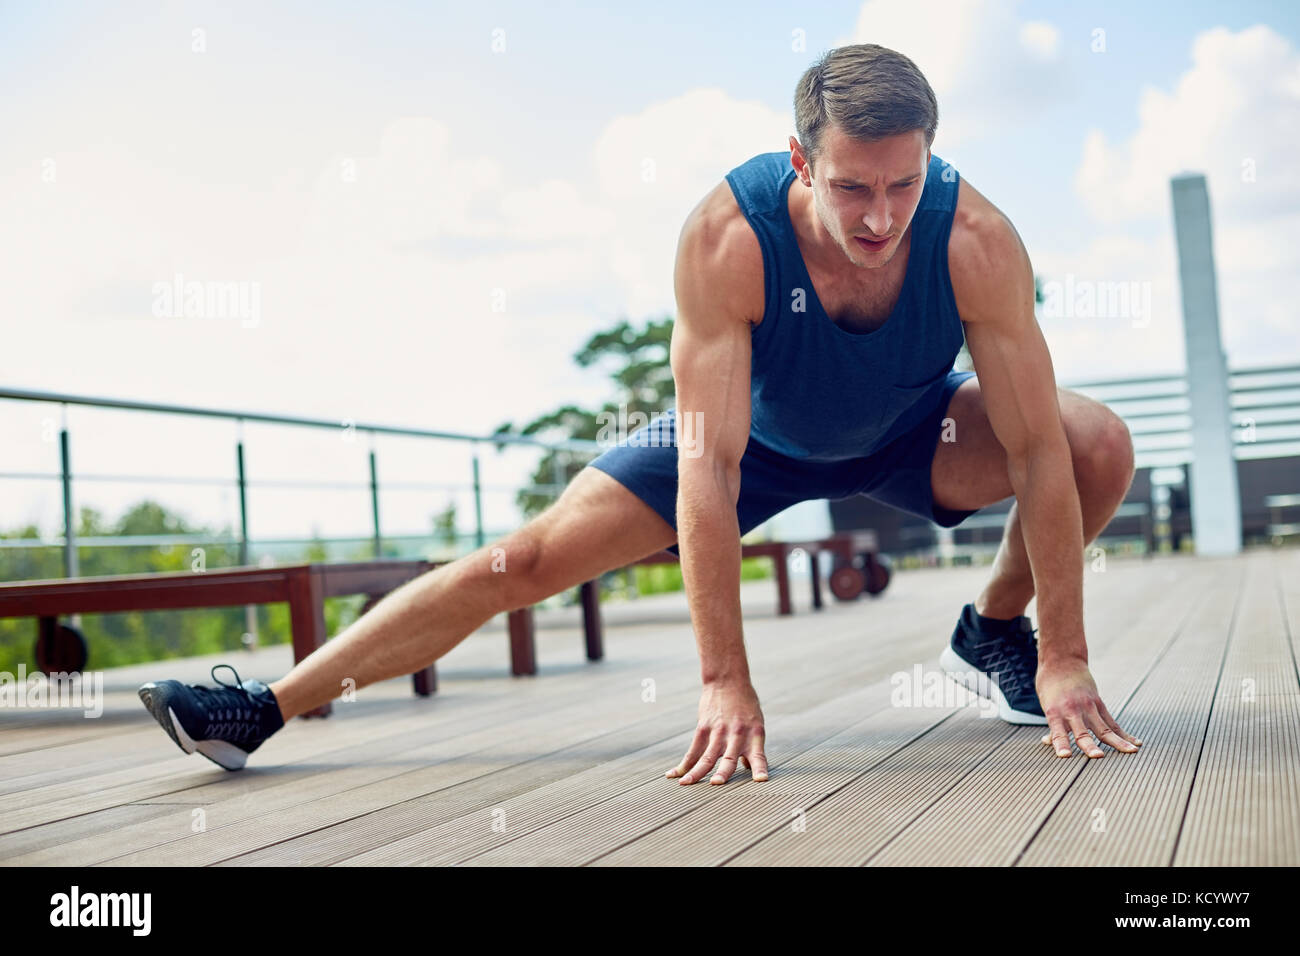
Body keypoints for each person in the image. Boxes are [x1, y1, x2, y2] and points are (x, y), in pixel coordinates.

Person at [138, 42, 1143, 780]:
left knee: (1091, 440)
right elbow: (708, 468)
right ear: (800, 162)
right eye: (851, 187)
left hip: (912, 433)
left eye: (903, 185)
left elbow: (1033, 450)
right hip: (753, 446)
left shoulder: (973, 238)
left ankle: (995, 634)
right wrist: (721, 676)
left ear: (929, 161)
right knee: (521, 560)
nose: (881, 218)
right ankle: (263, 704)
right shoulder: (726, 236)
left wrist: (1065, 655)